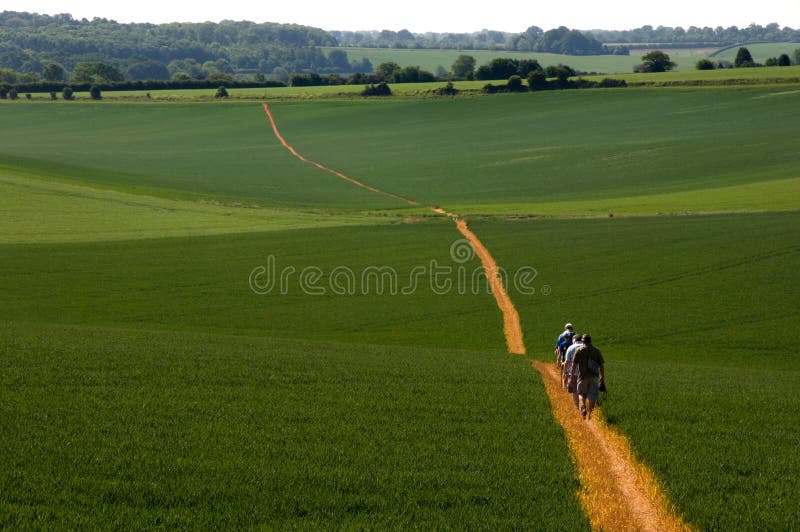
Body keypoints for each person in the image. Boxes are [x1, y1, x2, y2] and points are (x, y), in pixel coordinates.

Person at [572, 334, 605, 420]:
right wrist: (602, 378)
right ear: (590, 341)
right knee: (593, 396)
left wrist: (572, 376)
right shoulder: (597, 351)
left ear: (582, 341)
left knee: (581, 393)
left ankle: (583, 407)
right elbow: (601, 366)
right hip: (594, 377)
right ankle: (590, 414)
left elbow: (574, 365)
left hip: (582, 376)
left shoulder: (579, 350)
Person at [563, 334, 583, 405]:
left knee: (575, 391)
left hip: (573, 373)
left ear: (574, 340)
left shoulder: (571, 348)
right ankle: (582, 403)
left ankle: (577, 406)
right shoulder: (586, 347)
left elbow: (567, 362)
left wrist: (565, 372)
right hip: (585, 373)